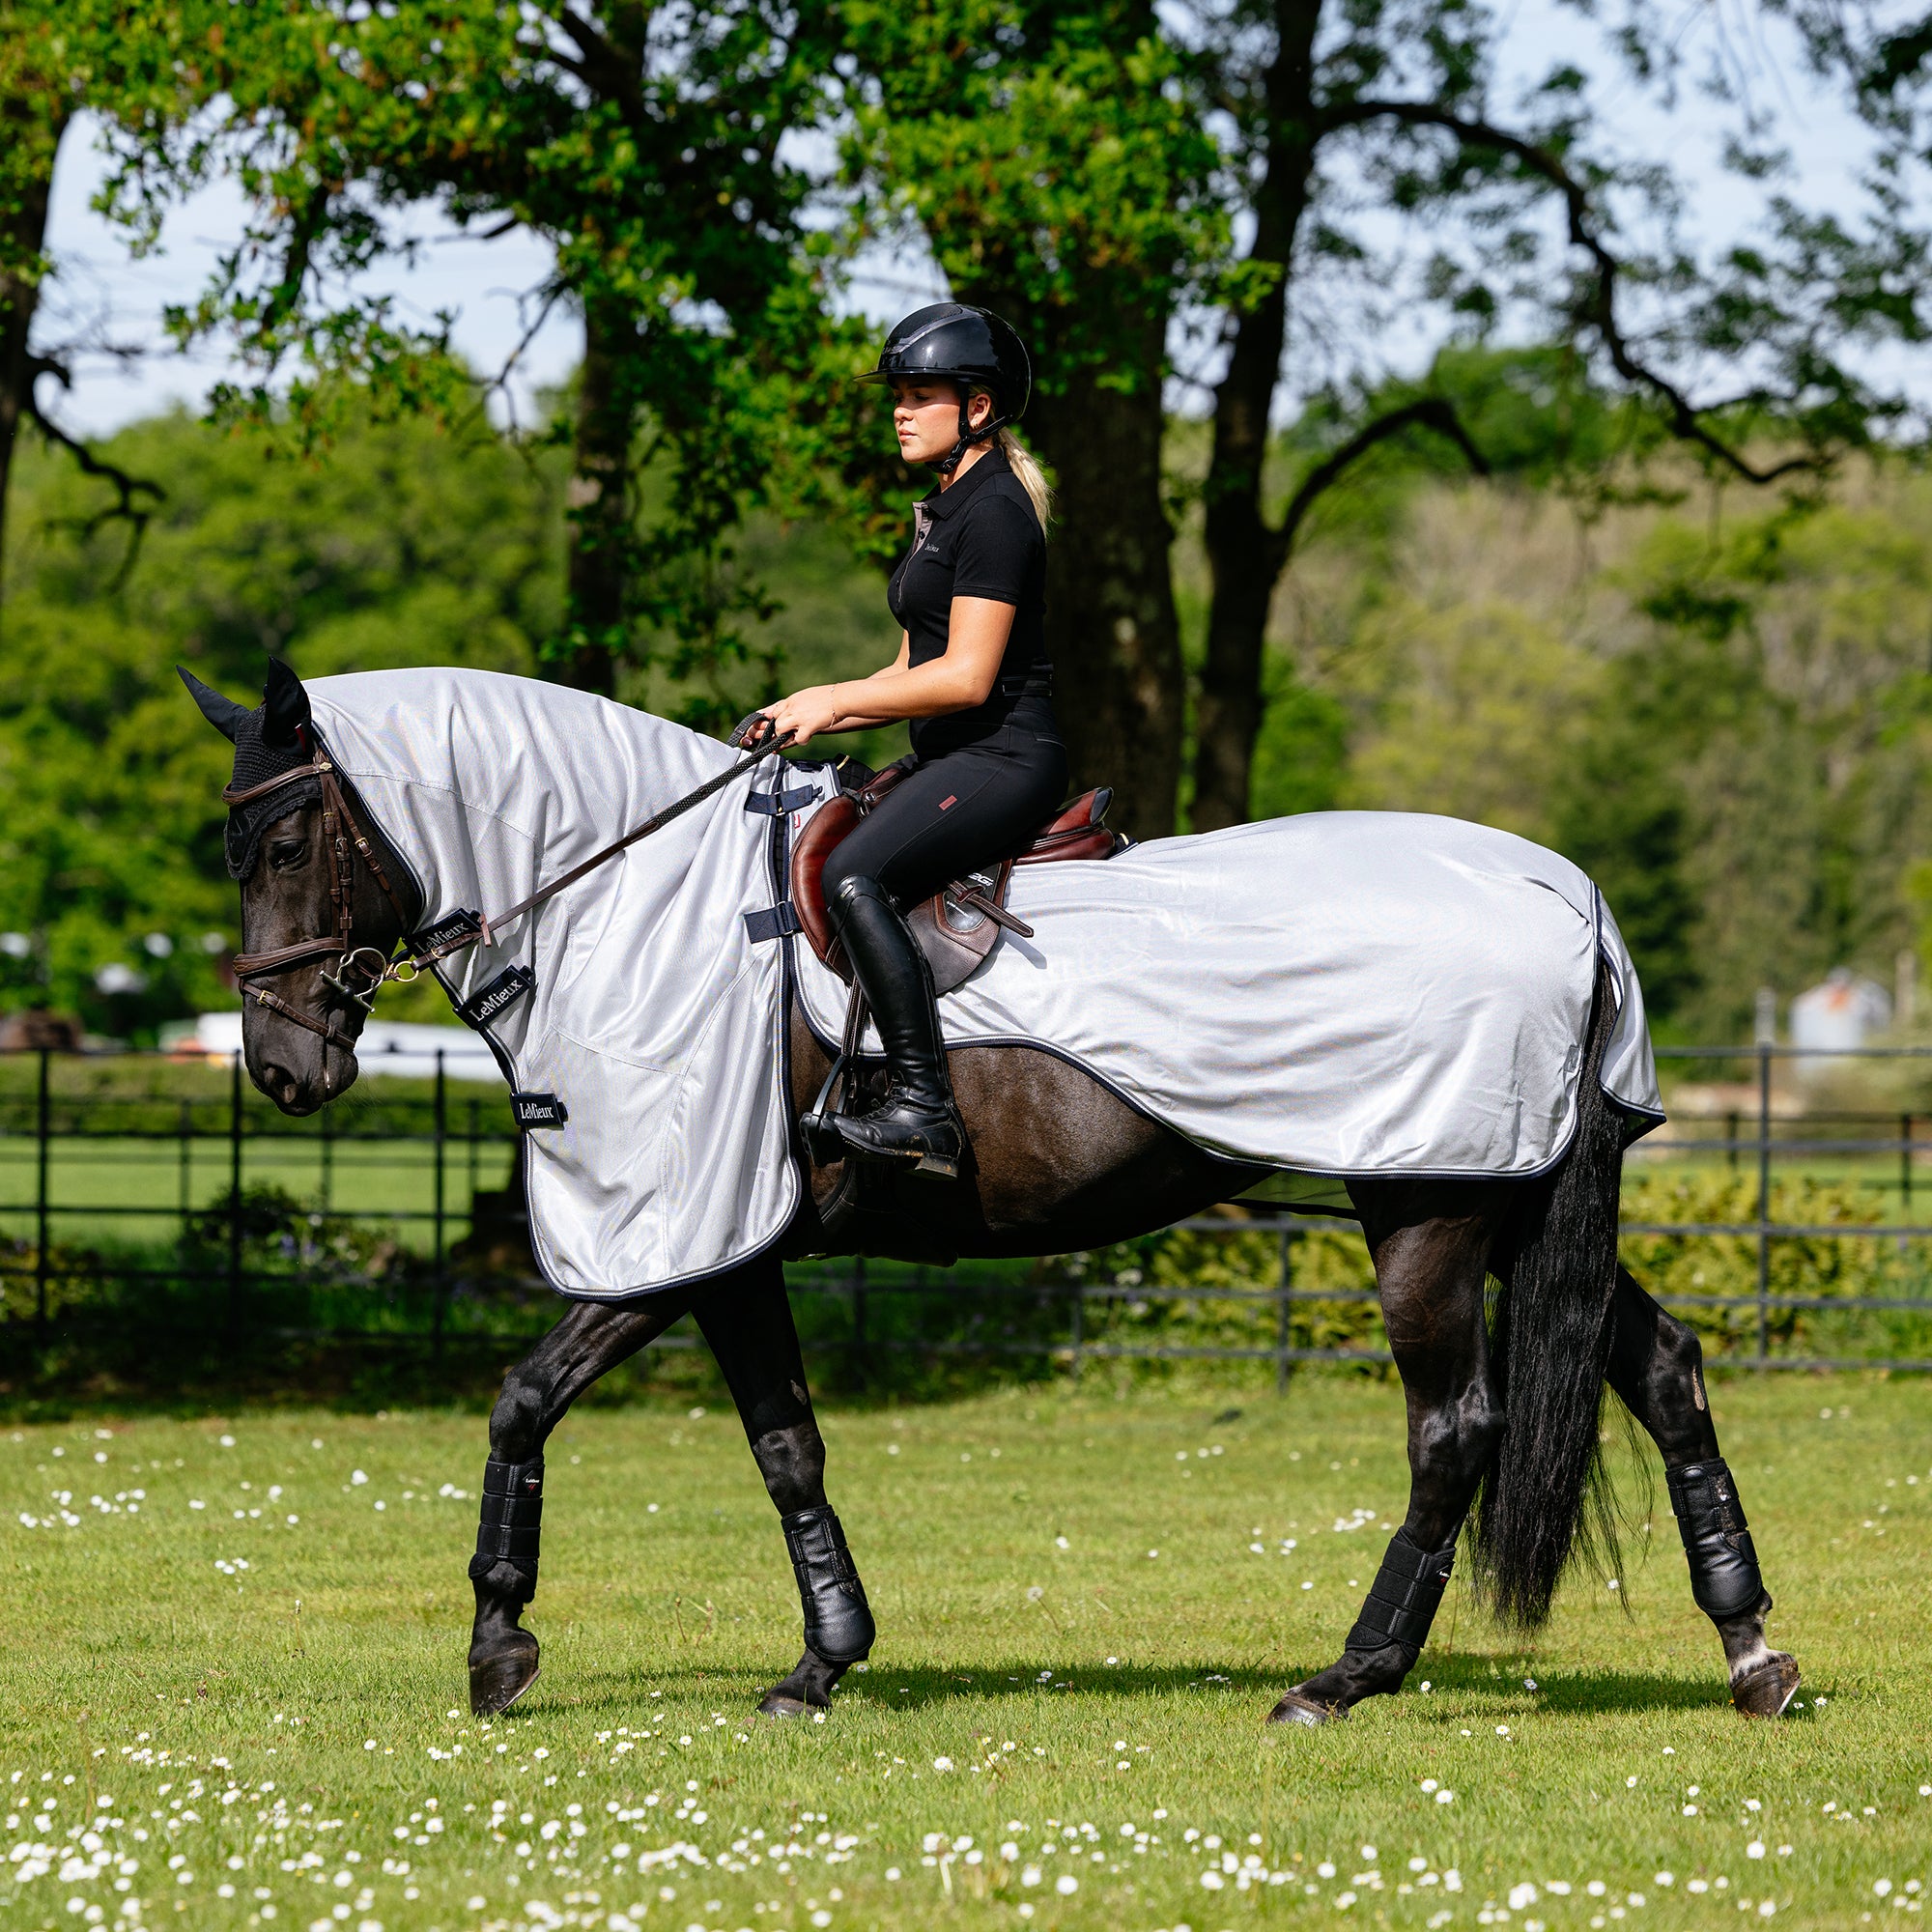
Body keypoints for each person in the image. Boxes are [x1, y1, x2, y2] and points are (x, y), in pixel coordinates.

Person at [743, 303, 1065, 1176]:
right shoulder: (948, 508)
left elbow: (964, 677)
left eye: (920, 395)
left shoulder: (995, 510)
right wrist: (809, 708)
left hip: (1003, 758)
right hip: (952, 755)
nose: (900, 410)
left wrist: (837, 698)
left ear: (979, 409)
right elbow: (908, 666)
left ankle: (925, 1110)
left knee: (854, 874)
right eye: (898, 395)